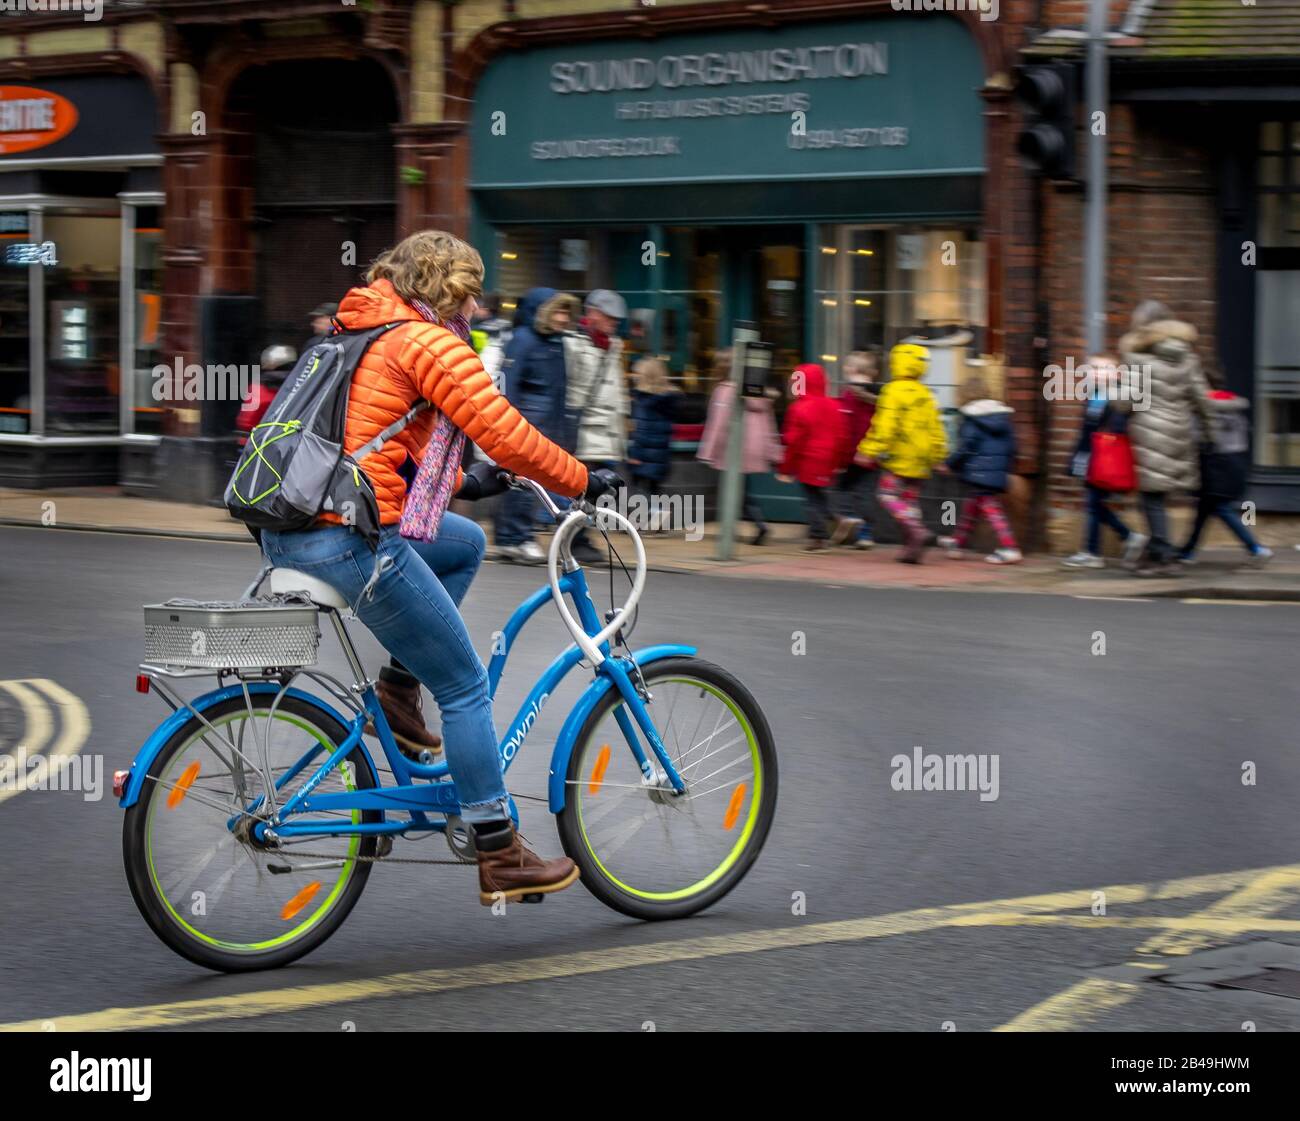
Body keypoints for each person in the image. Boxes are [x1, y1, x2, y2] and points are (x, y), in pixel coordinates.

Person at [258, 229, 615, 904]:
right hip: (345, 540)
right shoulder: (427, 341)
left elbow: (372, 447)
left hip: (293, 529)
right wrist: (580, 479)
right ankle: (498, 847)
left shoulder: (357, 325)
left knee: (463, 542)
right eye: (472, 291)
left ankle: (396, 693)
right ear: (447, 287)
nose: (477, 308)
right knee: (467, 688)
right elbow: (503, 429)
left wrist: (472, 484)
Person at [1120, 300, 1212, 575]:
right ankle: (1157, 551)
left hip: (1151, 434)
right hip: (1181, 434)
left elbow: (1127, 402)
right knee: (1158, 497)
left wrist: (1112, 393)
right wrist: (1211, 430)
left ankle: (1165, 557)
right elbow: (1202, 399)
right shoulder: (1188, 358)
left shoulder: (1138, 360)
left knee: (1151, 498)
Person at [492, 287, 580, 564]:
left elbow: (560, 390)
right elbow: (509, 383)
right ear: (542, 312)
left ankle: (512, 538)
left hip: (547, 425)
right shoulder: (523, 340)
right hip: (526, 426)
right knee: (524, 483)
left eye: (567, 312)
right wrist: (510, 425)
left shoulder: (555, 342)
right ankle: (517, 538)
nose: (564, 318)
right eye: (559, 311)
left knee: (529, 483)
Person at [856, 343, 948, 564]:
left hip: (899, 457)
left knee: (887, 496)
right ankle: (911, 549)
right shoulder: (926, 394)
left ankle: (917, 531)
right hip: (921, 458)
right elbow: (935, 427)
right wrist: (938, 457)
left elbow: (885, 426)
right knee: (910, 502)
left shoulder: (892, 391)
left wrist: (868, 450)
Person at [564, 289, 630, 563]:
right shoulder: (574, 344)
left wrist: (624, 416)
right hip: (587, 427)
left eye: (616, 319)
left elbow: (617, 386)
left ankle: (578, 536)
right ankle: (576, 540)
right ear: (592, 313)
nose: (614, 322)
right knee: (585, 485)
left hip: (608, 428)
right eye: (608, 317)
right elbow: (569, 386)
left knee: (596, 486)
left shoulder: (612, 345)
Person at [1061, 356, 1146, 569]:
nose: (1097, 372)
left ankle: (1098, 550)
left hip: (1104, 458)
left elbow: (1117, 427)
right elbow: (1085, 432)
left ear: (1117, 374)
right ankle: (1123, 538)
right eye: (1094, 368)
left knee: (1093, 504)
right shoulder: (1094, 395)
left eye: (1104, 369)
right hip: (1091, 458)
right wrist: (1077, 460)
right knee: (1094, 504)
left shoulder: (1117, 397)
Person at [696, 349, 784, 545]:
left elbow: (718, 424)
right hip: (752, 448)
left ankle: (752, 526)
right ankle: (745, 526)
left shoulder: (725, 390)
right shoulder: (755, 391)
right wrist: (771, 448)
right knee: (740, 490)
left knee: (734, 492)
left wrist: (708, 451)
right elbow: (768, 423)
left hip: (732, 448)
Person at [1178, 386, 1272, 565]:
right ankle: (1187, 551)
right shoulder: (1236, 414)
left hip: (1214, 467)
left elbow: (1192, 438)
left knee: (1222, 508)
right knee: (1203, 512)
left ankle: (1256, 548)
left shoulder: (1205, 415)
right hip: (1234, 465)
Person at [941, 375, 1022, 564]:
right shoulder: (1002, 416)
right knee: (972, 507)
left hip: (978, 471)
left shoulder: (971, 418)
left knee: (991, 510)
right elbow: (1013, 447)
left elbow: (966, 447)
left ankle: (1010, 547)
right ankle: (957, 542)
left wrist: (950, 463)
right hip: (996, 471)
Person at [776, 363, 847, 551]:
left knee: (812, 499)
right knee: (821, 494)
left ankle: (819, 535)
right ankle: (835, 520)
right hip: (829, 458)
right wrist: (840, 462)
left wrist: (785, 469)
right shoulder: (835, 405)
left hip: (808, 459)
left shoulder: (798, 408)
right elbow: (842, 436)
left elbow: (793, 441)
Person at [829, 351, 879, 549]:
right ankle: (866, 535)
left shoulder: (849, 393)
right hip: (872, 453)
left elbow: (845, 425)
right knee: (866, 493)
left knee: (841, 488)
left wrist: (840, 454)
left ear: (852, 369)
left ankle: (849, 516)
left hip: (852, 453)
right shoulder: (878, 394)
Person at [626, 356, 680, 532]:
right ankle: (657, 521)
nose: (634, 376)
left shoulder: (644, 402)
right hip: (660, 454)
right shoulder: (668, 400)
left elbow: (641, 430)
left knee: (639, 489)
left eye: (637, 373)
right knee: (654, 489)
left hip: (644, 454)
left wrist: (634, 454)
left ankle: (638, 521)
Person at [234, 344, 297, 447]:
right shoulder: (299, 384)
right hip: (287, 442)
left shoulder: (259, 386)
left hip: (256, 442)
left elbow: (247, 420)